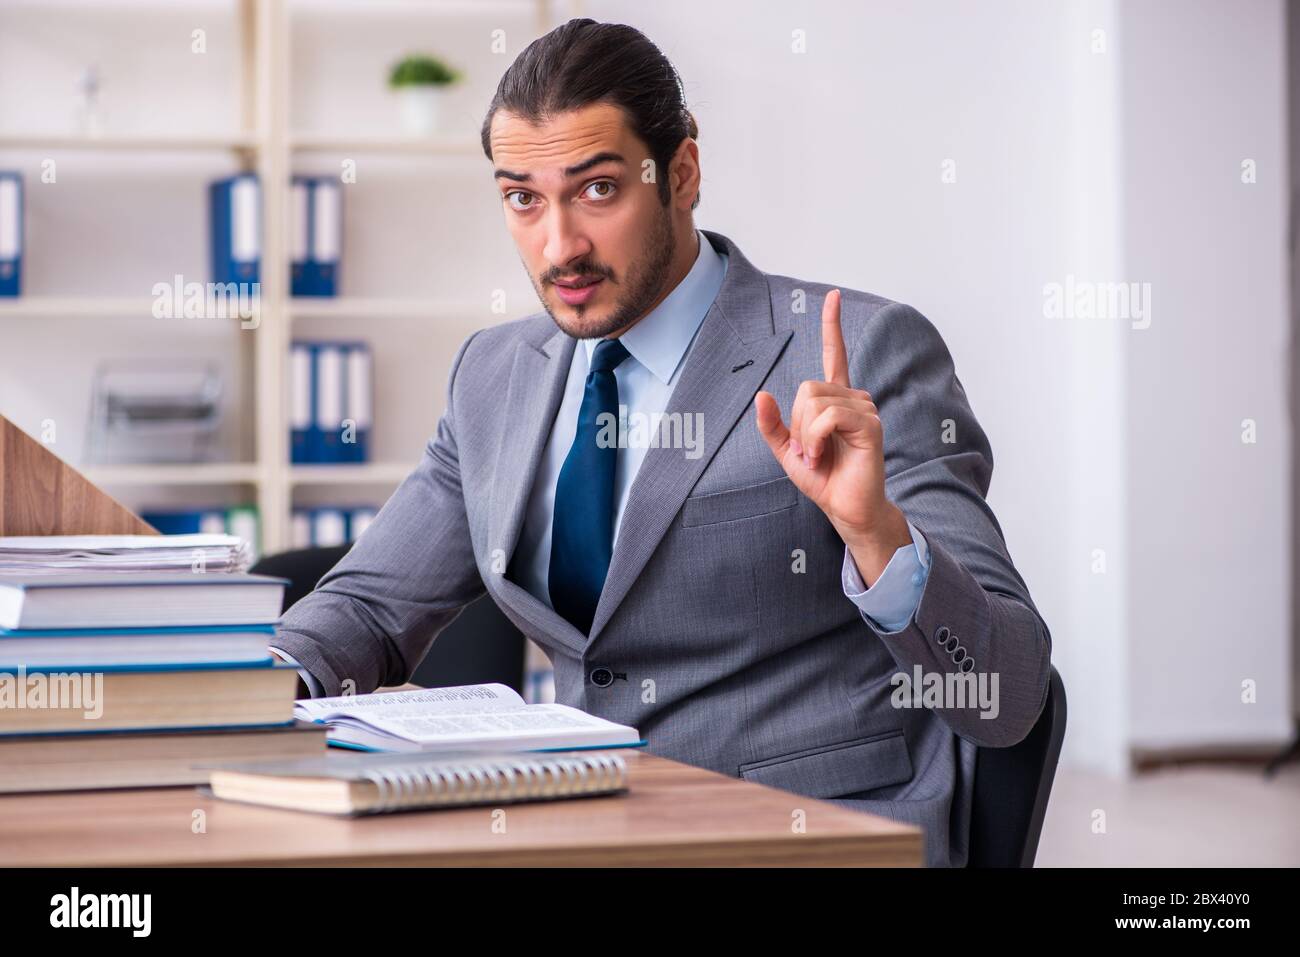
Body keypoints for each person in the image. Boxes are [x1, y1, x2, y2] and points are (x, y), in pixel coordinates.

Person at [270, 18, 1052, 867]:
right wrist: (236, 687)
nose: (558, 244)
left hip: (804, 838)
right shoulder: (494, 375)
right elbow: (371, 605)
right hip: (582, 828)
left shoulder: (860, 353)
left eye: (597, 190)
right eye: (523, 198)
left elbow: (1006, 693)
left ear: (681, 172)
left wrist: (879, 537)